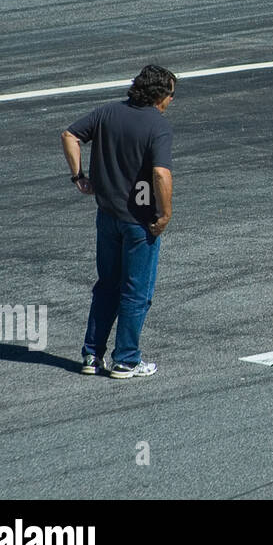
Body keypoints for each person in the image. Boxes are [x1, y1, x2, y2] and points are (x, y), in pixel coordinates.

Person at [60, 64, 176, 379]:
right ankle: (125, 359)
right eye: (170, 95)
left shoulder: (107, 113)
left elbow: (69, 135)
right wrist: (164, 215)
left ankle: (91, 355)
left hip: (107, 216)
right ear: (159, 96)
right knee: (136, 292)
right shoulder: (158, 126)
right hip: (140, 224)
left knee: (106, 287)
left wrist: (78, 177)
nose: (171, 102)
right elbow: (161, 174)